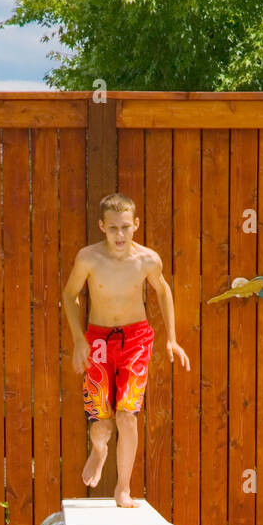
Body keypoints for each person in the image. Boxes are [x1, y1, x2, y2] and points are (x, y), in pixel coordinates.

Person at [62, 193, 190, 508]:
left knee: (128, 416)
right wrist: (79, 338)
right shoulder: (89, 258)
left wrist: (172, 338)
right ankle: (100, 450)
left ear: (135, 225)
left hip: (135, 338)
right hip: (98, 340)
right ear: (102, 226)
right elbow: (69, 295)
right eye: (113, 228)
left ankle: (123, 488)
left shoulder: (147, 259)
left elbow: (163, 290)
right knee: (102, 423)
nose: (120, 235)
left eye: (125, 228)